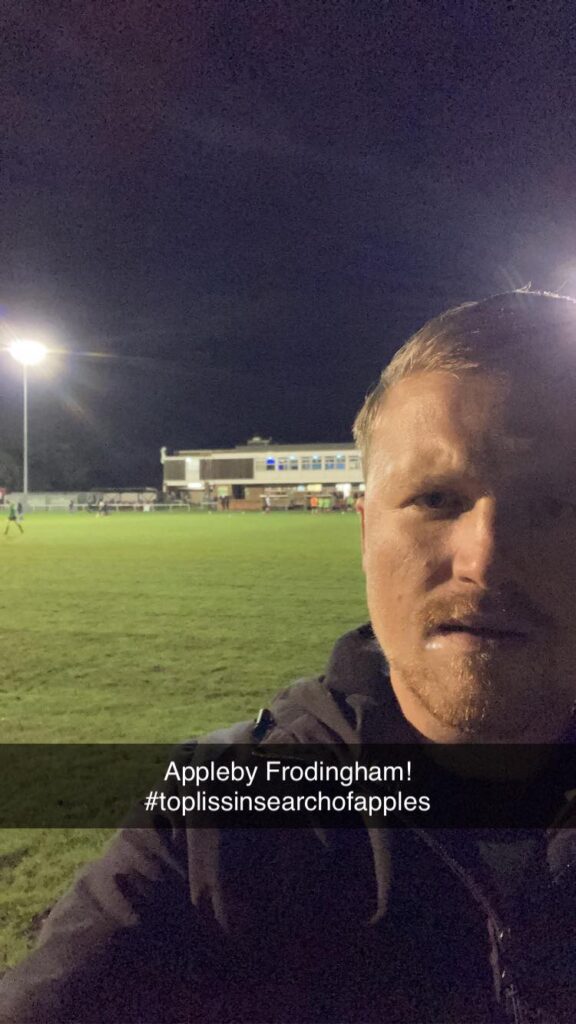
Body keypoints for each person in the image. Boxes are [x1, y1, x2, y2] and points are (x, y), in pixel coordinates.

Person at [4, 289, 576, 1023]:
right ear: (365, 532)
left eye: (557, 502)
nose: (486, 560)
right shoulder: (221, 821)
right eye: (435, 498)